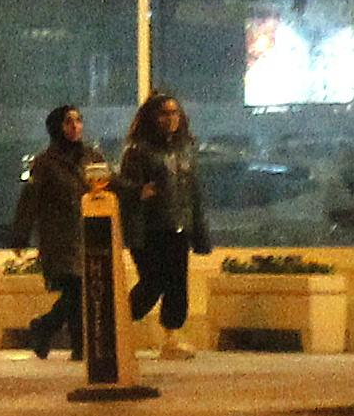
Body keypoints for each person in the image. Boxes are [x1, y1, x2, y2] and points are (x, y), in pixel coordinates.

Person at [117, 91, 211, 359]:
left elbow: (193, 192)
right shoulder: (138, 150)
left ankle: (171, 337)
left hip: (177, 225)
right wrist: (139, 191)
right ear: (152, 118)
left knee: (177, 284)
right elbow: (122, 185)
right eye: (164, 113)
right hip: (148, 227)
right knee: (152, 281)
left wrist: (199, 232)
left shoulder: (185, 150)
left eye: (174, 113)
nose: (171, 119)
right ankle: (117, 327)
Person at [14, 105, 95, 357]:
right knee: (77, 290)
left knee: (77, 292)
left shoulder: (90, 157)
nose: (75, 127)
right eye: (68, 122)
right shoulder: (46, 163)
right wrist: (21, 235)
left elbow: (109, 182)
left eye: (78, 121)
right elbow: (30, 200)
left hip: (87, 234)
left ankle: (46, 328)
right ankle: (77, 345)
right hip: (59, 238)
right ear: (57, 127)